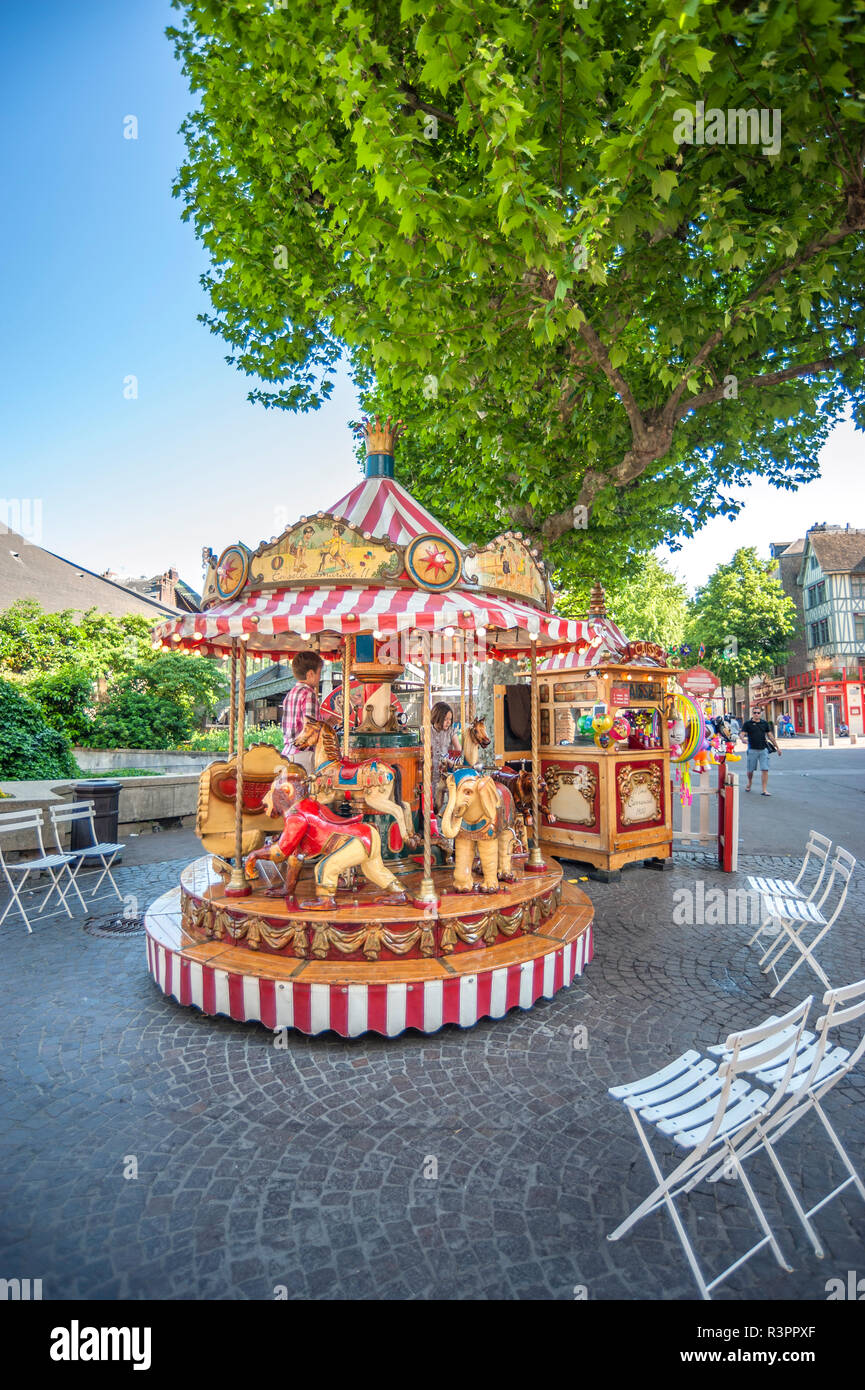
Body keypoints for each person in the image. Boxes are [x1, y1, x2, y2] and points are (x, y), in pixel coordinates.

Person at [281, 652, 324, 774]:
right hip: (304, 756)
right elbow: (310, 729)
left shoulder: (291, 693)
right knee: (311, 791)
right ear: (310, 674)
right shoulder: (309, 694)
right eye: (319, 673)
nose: (319, 677)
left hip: (288, 754)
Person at [430, 701, 463, 811]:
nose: (448, 722)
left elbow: (458, 749)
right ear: (437, 717)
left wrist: (452, 760)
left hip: (445, 767)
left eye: (450, 719)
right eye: (445, 719)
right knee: (433, 798)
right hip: (431, 767)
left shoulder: (450, 731)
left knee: (451, 793)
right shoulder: (428, 731)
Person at [740, 712, 781, 795]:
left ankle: (764, 790)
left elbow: (770, 736)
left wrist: (777, 747)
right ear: (752, 714)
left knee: (765, 769)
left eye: (758, 713)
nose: (756, 714)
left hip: (763, 749)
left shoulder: (764, 723)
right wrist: (743, 739)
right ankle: (750, 782)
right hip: (752, 749)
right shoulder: (747, 724)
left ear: (760, 714)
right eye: (755, 713)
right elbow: (742, 734)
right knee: (750, 770)